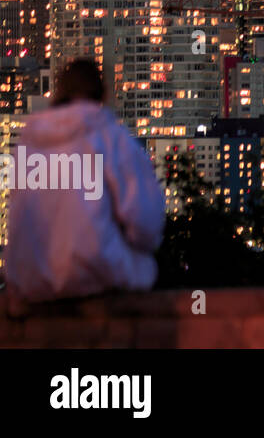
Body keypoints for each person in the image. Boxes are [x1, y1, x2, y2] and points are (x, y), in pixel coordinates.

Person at [5, 60, 165, 303]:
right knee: (145, 265)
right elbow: (145, 219)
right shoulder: (110, 136)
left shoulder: (27, 142)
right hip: (92, 274)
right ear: (103, 92)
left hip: (30, 280)